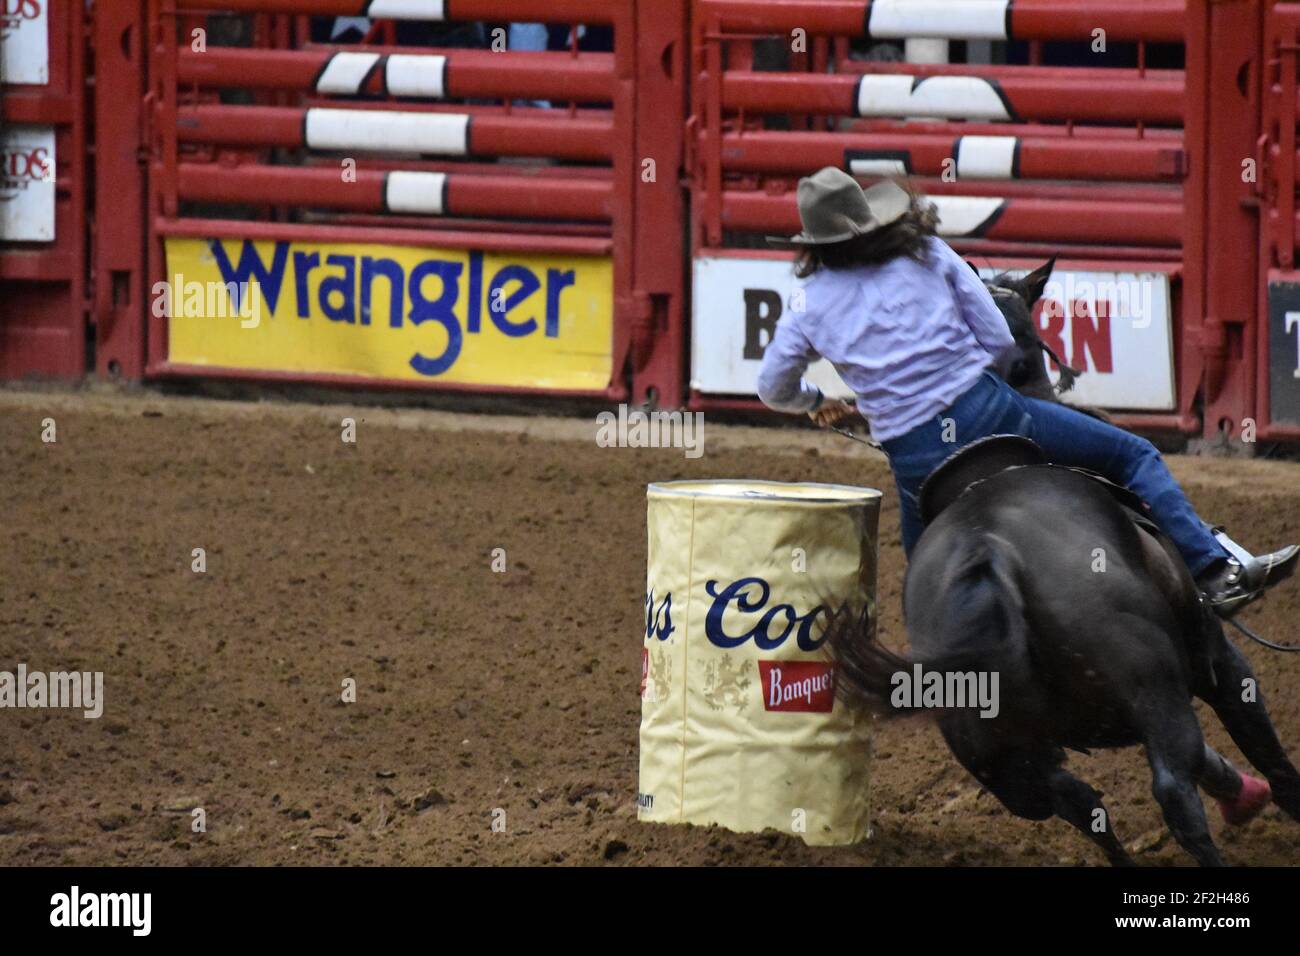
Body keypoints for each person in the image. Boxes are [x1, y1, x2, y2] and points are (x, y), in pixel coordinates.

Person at [756, 167, 1297, 617]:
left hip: (917, 460)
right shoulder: (927, 253)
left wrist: (814, 402)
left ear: (813, 244)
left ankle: (935, 669)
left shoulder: (808, 302)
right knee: (1132, 454)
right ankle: (1215, 568)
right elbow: (995, 336)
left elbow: (771, 388)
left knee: (925, 584)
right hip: (993, 416)